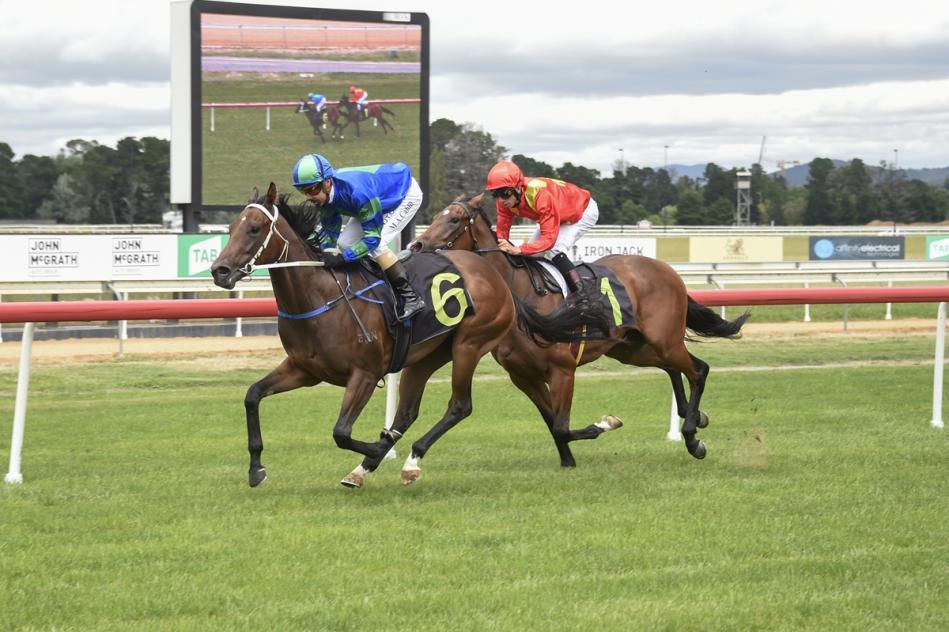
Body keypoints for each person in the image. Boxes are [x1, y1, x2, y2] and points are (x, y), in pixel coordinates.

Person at [291, 153, 425, 321]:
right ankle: (372, 280)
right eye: (304, 191)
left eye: (313, 189)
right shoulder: (324, 199)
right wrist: (321, 255)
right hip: (374, 199)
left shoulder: (357, 193)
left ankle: (411, 297)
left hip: (403, 194)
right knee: (345, 243)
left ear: (327, 182)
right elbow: (331, 234)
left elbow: (372, 239)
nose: (310, 197)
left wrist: (342, 259)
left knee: (378, 244)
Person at [485, 160, 599, 306]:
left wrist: (519, 249)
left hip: (582, 211)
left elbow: (548, 240)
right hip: (557, 214)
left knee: (555, 249)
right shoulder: (505, 202)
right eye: (496, 194)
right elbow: (502, 234)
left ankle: (583, 297)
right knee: (531, 254)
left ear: (518, 188)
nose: (501, 200)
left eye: (505, 193)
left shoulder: (540, 194)